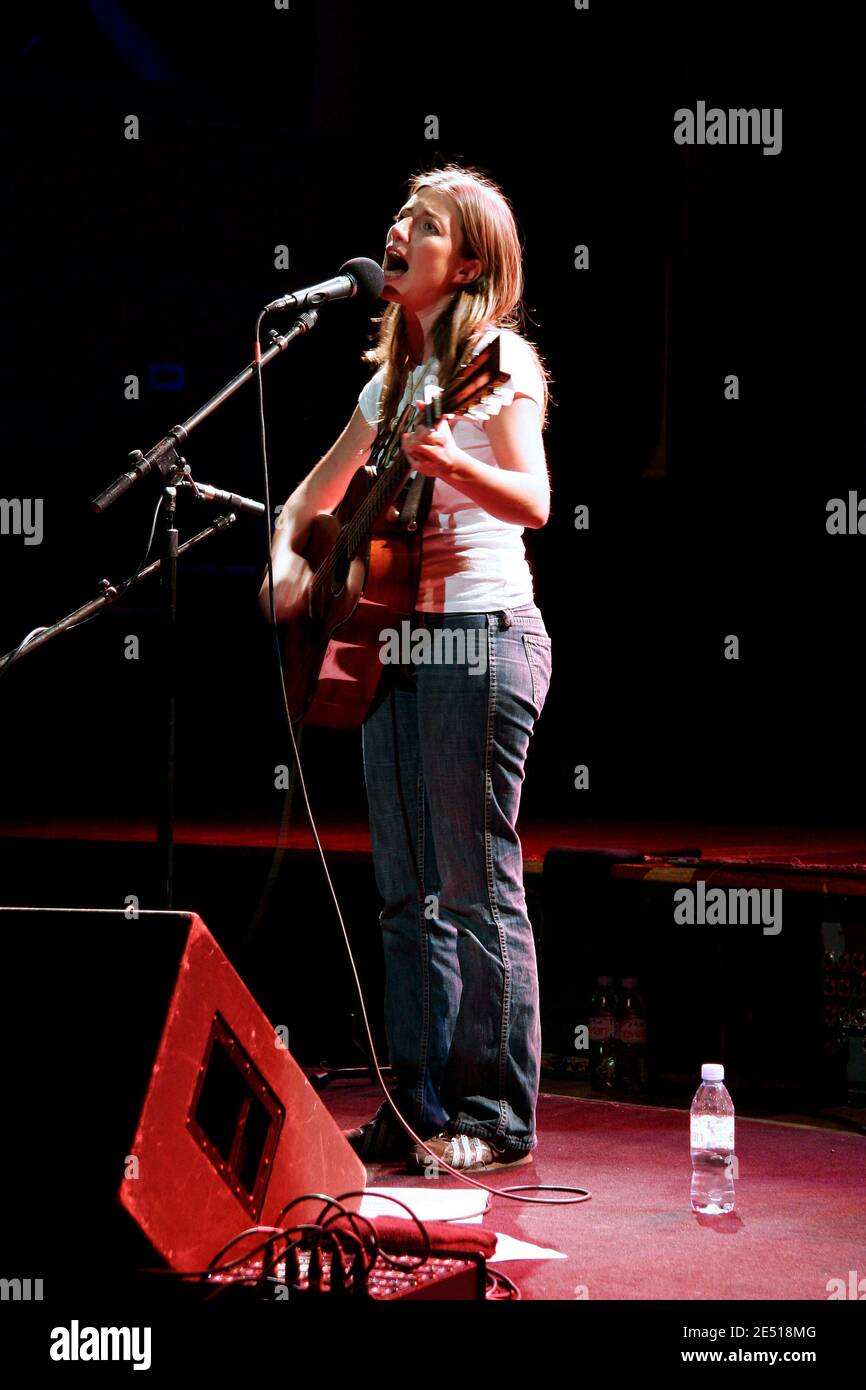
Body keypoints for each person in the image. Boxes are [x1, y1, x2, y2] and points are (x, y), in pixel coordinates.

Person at [262, 163, 552, 1173]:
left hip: (478, 634)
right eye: (398, 214)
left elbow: (533, 499)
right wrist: (286, 569)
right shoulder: (388, 382)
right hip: (389, 638)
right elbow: (308, 496)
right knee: (404, 893)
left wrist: (454, 463)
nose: (397, 230)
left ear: (466, 261)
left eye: (423, 224)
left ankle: (493, 1113)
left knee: (471, 888)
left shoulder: (493, 358)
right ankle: (412, 1102)